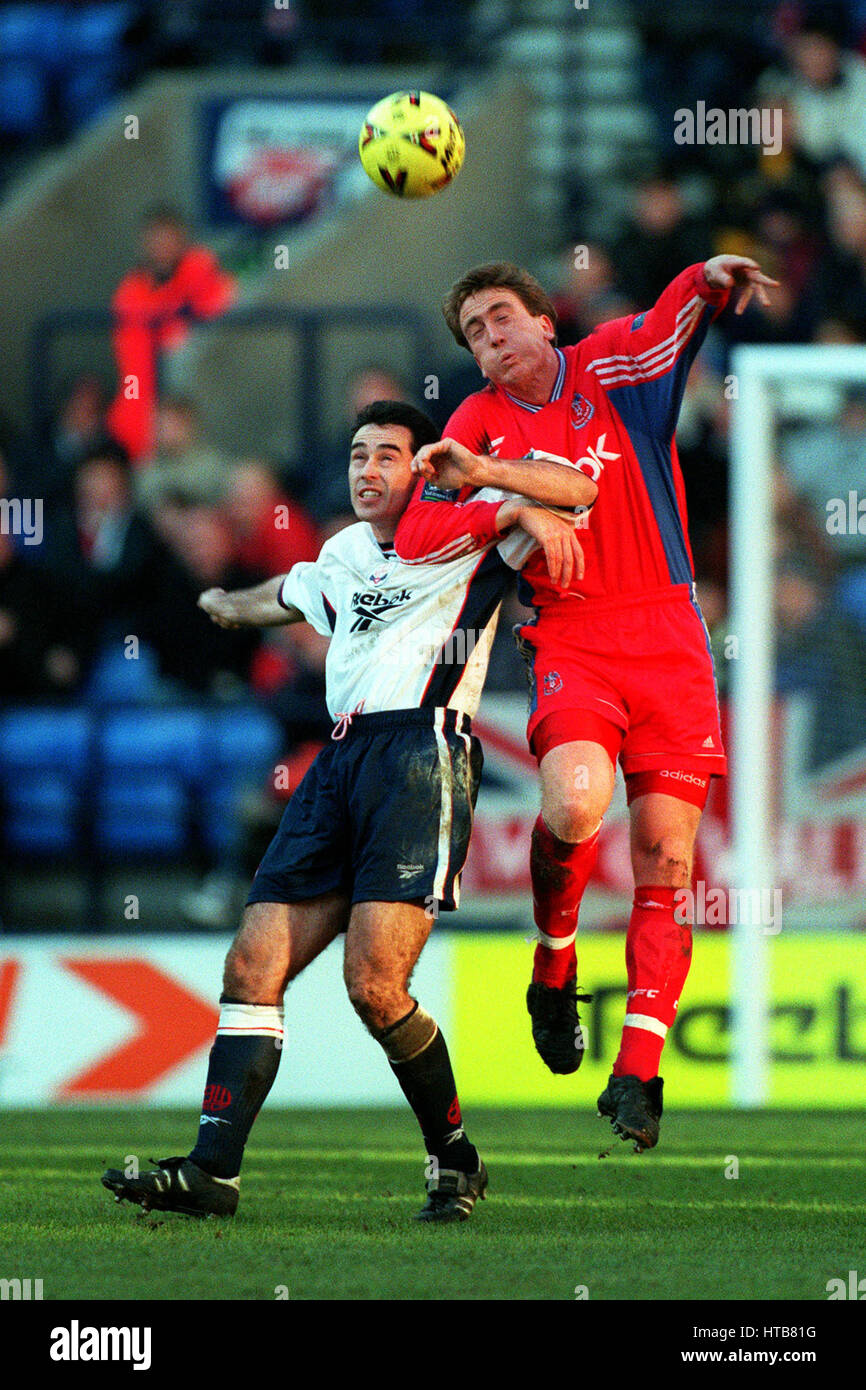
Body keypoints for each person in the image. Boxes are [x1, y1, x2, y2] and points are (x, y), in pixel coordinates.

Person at [101, 399, 593, 1222]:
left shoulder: (471, 528)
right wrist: (227, 602)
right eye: (359, 455)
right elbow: (289, 595)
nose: (368, 471)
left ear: (420, 467)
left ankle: (454, 1158)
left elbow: (574, 491)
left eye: (386, 457)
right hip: (338, 762)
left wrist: (519, 505)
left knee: (373, 984)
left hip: (421, 754)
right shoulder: (342, 551)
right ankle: (211, 1170)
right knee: (251, 964)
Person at [393, 253, 777, 1152]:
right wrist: (502, 510)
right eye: (474, 335)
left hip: (671, 633)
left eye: (499, 318)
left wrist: (705, 277)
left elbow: (670, 323)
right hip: (574, 635)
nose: (490, 342)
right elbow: (418, 527)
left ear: (544, 321)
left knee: (667, 856)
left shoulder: (611, 365)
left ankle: (640, 1071)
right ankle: (555, 954)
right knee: (572, 802)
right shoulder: (474, 422)